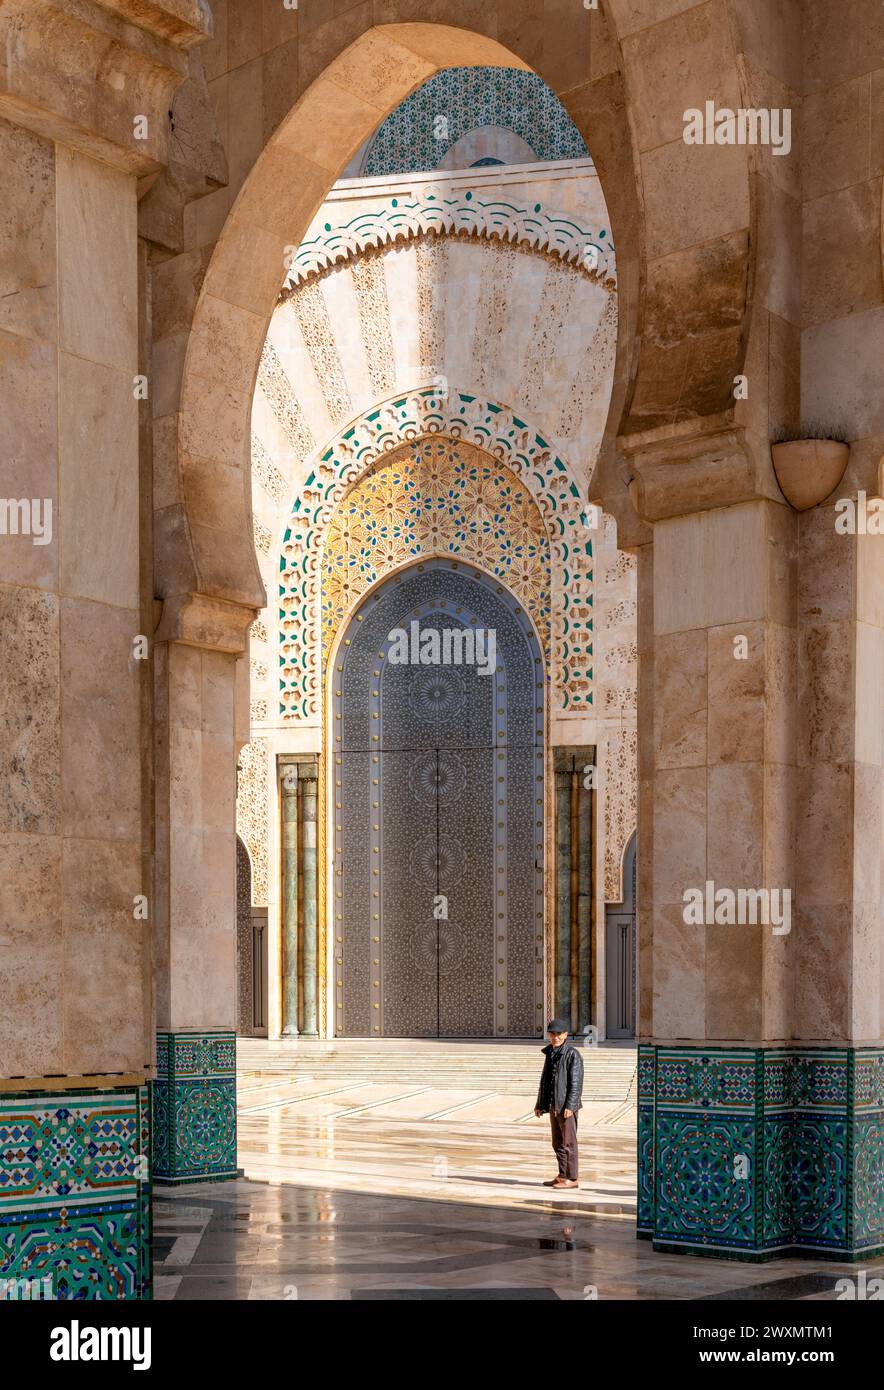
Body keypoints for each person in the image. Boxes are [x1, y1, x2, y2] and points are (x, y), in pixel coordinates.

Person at [534, 1018, 584, 1188]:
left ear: (565, 1035)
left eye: (558, 1034)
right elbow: (545, 1081)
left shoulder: (573, 1055)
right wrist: (540, 1104)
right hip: (554, 1104)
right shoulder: (550, 1053)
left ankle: (572, 1178)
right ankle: (562, 1175)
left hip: (566, 1107)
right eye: (552, 1034)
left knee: (569, 1142)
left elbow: (576, 1083)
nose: (555, 1037)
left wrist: (570, 1105)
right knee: (557, 1142)